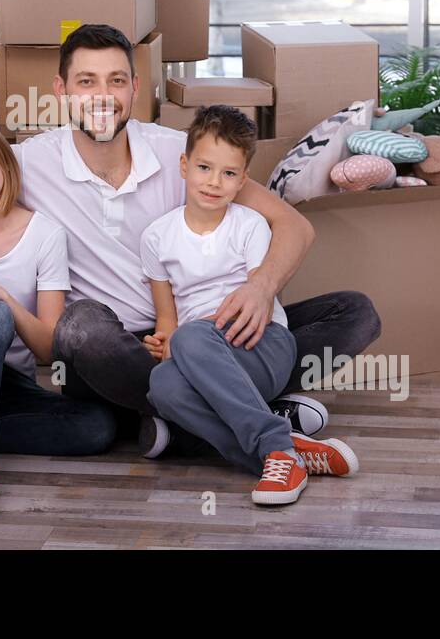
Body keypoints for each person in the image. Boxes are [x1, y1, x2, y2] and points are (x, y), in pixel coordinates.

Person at [0, 25, 382, 459]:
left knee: (352, 312)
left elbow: (293, 225)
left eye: (114, 81)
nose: (101, 96)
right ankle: (246, 415)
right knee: (79, 326)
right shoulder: (24, 163)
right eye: (85, 82)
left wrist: (260, 284)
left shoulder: (182, 156)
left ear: (136, 89)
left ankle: (183, 418)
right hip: (115, 351)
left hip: (204, 334)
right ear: (61, 91)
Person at [140, 105, 359, 505]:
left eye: (228, 173)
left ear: (243, 180)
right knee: (163, 386)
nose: (214, 182)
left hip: (262, 345)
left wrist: (189, 337)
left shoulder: (249, 225)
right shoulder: (157, 237)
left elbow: (255, 301)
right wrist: (165, 340)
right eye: (204, 167)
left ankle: (273, 447)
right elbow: (168, 320)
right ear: (185, 165)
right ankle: (283, 453)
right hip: (201, 356)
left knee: (193, 339)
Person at [0, 111, 117, 510]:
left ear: (3, 159)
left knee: (97, 428)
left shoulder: (45, 235)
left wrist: (5, 297)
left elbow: (47, 349)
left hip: (4, 383)